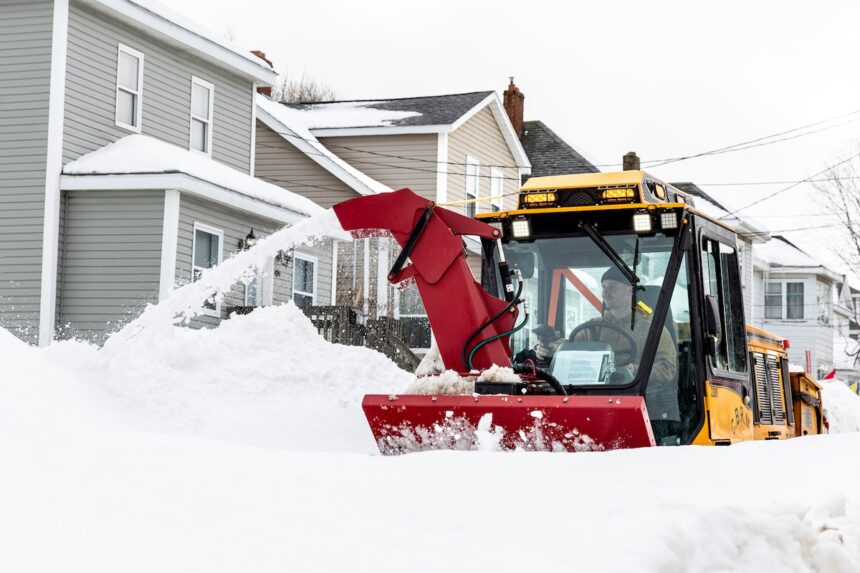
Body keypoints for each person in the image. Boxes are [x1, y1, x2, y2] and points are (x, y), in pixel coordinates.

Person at [572, 266, 679, 421]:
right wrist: (549, 348)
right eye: (604, 287)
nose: (605, 293)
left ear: (630, 291)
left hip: (639, 401)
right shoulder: (593, 328)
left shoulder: (652, 328)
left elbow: (667, 368)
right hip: (596, 402)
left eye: (612, 287)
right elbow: (571, 348)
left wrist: (634, 370)